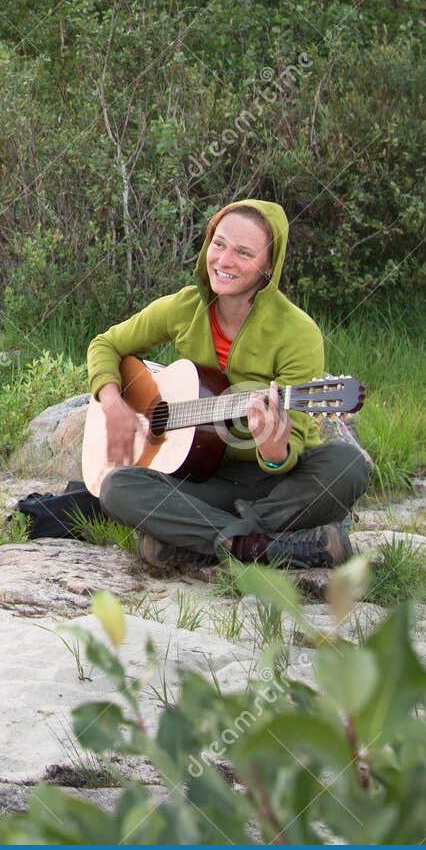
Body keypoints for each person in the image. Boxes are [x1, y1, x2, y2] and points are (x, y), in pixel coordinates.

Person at [87, 199, 368, 572]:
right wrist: (113, 405)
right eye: (218, 244)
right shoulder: (184, 307)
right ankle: (269, 545)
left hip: (272, 486)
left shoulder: (298, 332)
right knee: (118, 487)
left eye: (243, 252)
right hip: (200, 479)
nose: (224, 260)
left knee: (347, 466)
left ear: (269, 266)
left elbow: (294, 446)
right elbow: (105, 345)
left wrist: (273, 451)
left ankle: (208, 541)